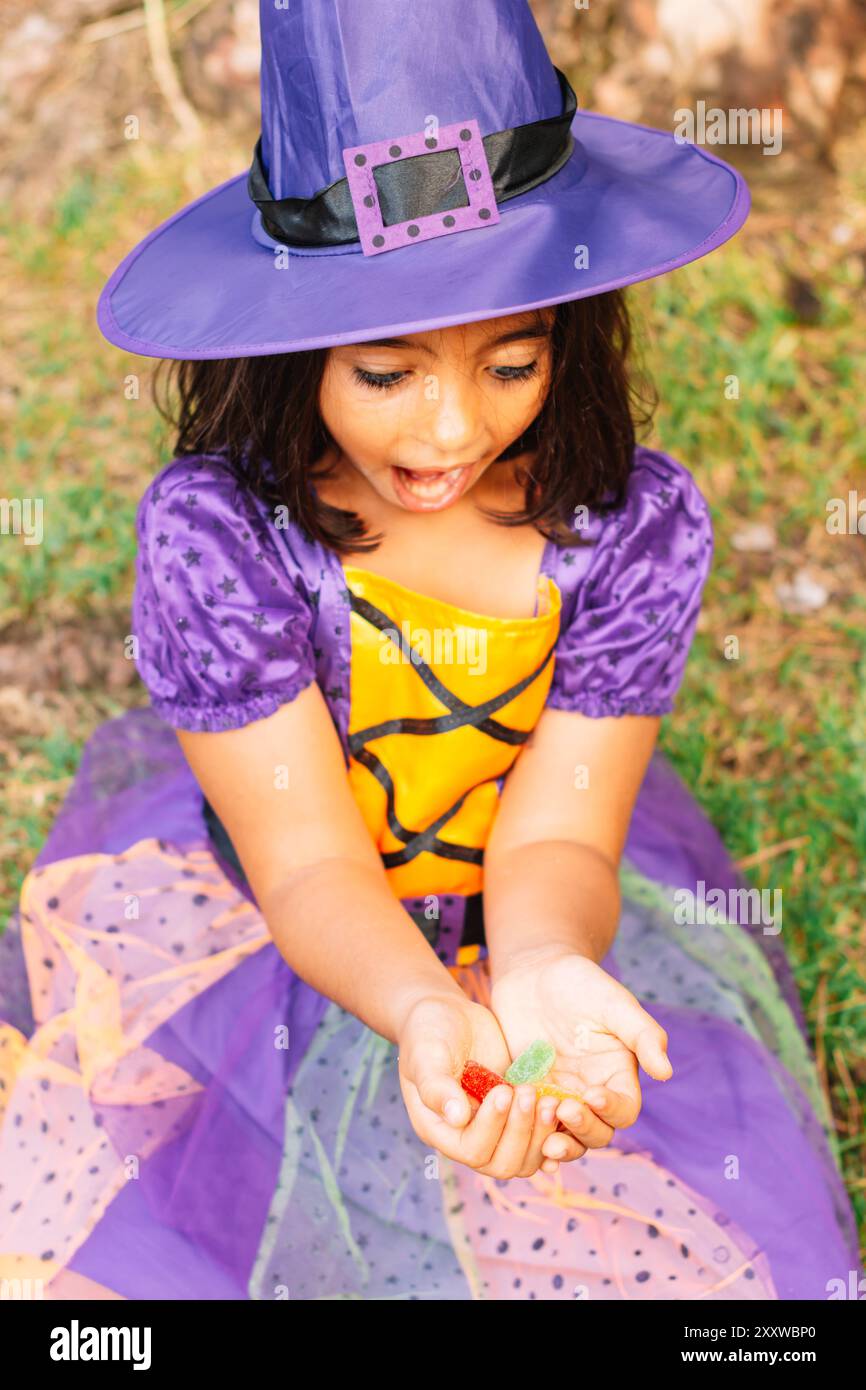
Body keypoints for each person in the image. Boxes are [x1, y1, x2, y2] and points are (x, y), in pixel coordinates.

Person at [0, 0, 858, 1301]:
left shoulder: (629, 527)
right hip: (290, 917)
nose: (453, 427)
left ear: (571, 337)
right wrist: (423, 1008)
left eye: (511, 361)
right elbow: (305, 862)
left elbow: (559, 834)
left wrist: (542, 967)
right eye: (387, 372)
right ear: (295, 357)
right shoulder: (222, 538)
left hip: (521, 896)